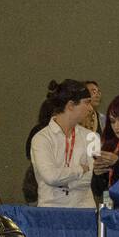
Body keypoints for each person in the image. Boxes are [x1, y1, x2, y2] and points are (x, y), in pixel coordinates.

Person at [31, 79, 96, 209]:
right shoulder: (41, 139)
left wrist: (62, 179)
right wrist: (80, 169)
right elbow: (50, 177)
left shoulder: (92, 137)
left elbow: (90, 179)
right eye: (87, 102)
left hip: (84, 211)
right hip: (51, 211)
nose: (91, 108)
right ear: (71, 105)